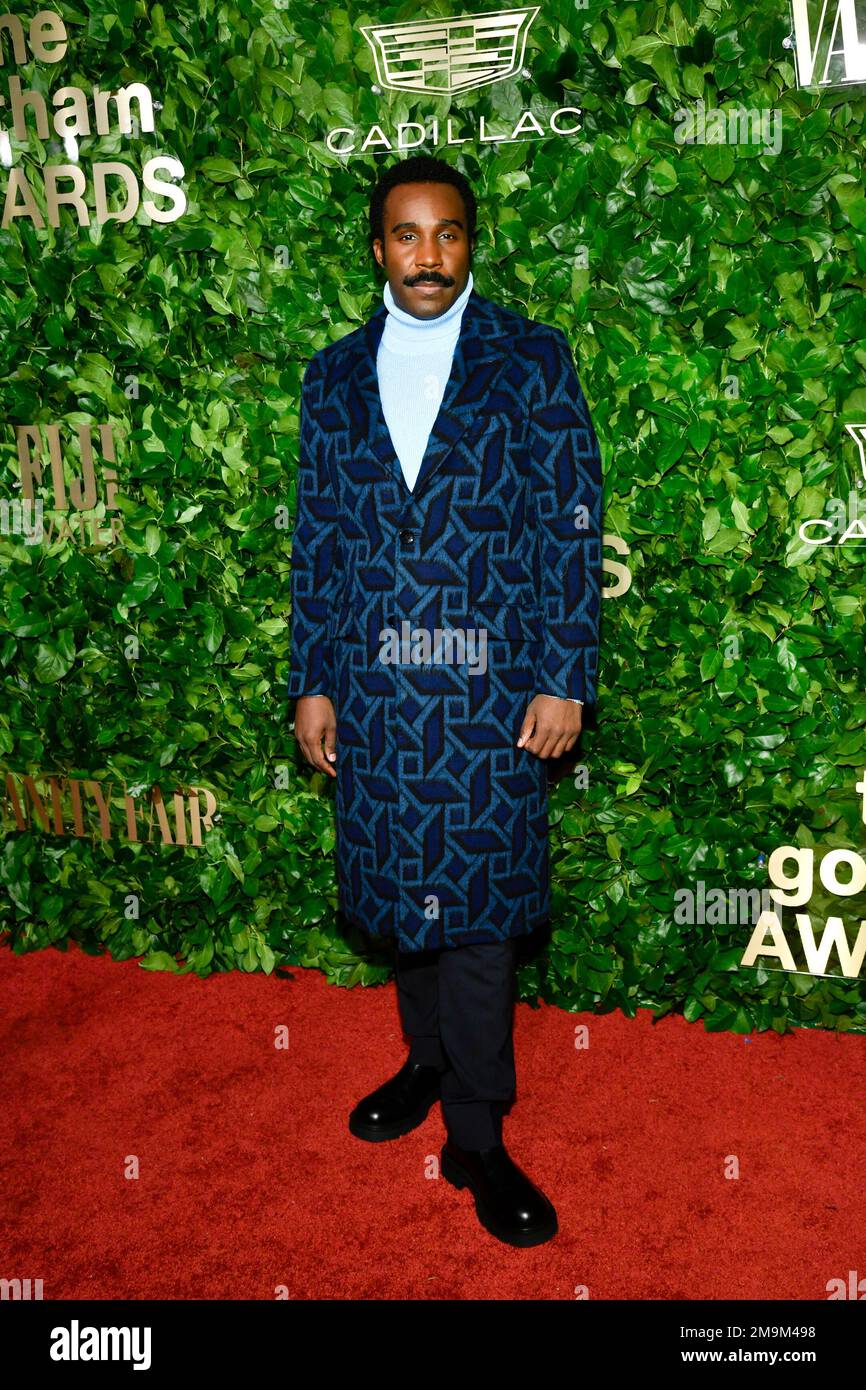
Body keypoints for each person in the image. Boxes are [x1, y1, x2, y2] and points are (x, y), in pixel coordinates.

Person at [288, 153, 602, 1248]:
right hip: (372, 688)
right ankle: (424, 1062)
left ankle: (476, 1134)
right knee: (394, 898)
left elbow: (570, 521)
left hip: (490, 692)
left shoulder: (529, 358)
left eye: (449, 233)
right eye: (406, 236)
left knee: (475, 920)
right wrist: (313, 681)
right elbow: (317, 543)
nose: (428, 256)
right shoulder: (330, 377)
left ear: (472, 243)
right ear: (376, 249)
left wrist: (565, 669)